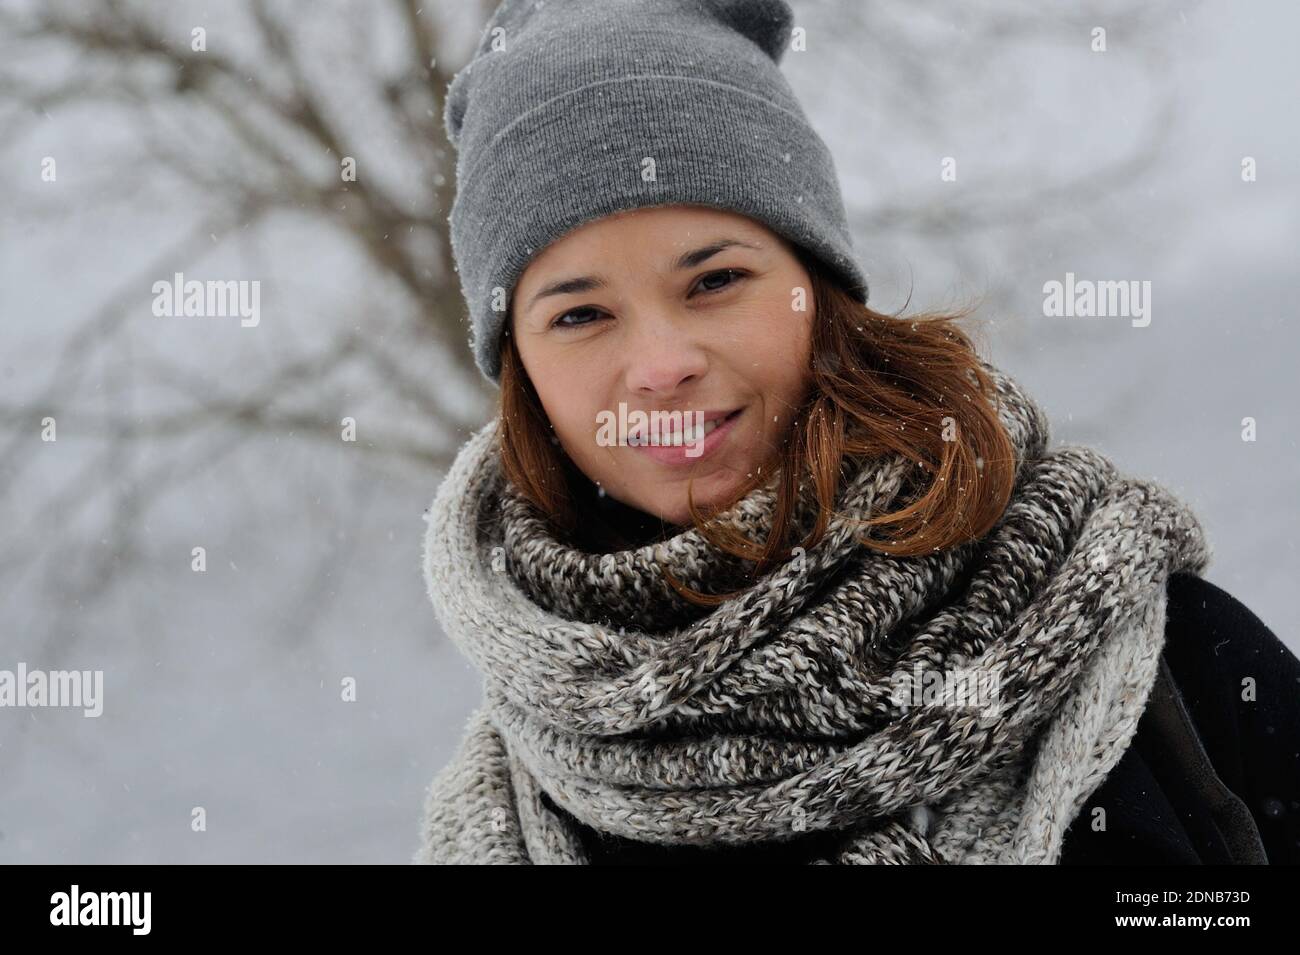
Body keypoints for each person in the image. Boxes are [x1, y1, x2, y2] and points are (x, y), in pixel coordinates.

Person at [414, 0, 1299, 864]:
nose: (660, 363)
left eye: (715, 280)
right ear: (521, 373)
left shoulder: (1158, 653)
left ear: (821, 294)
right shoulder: (509, 811)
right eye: (579, 315)